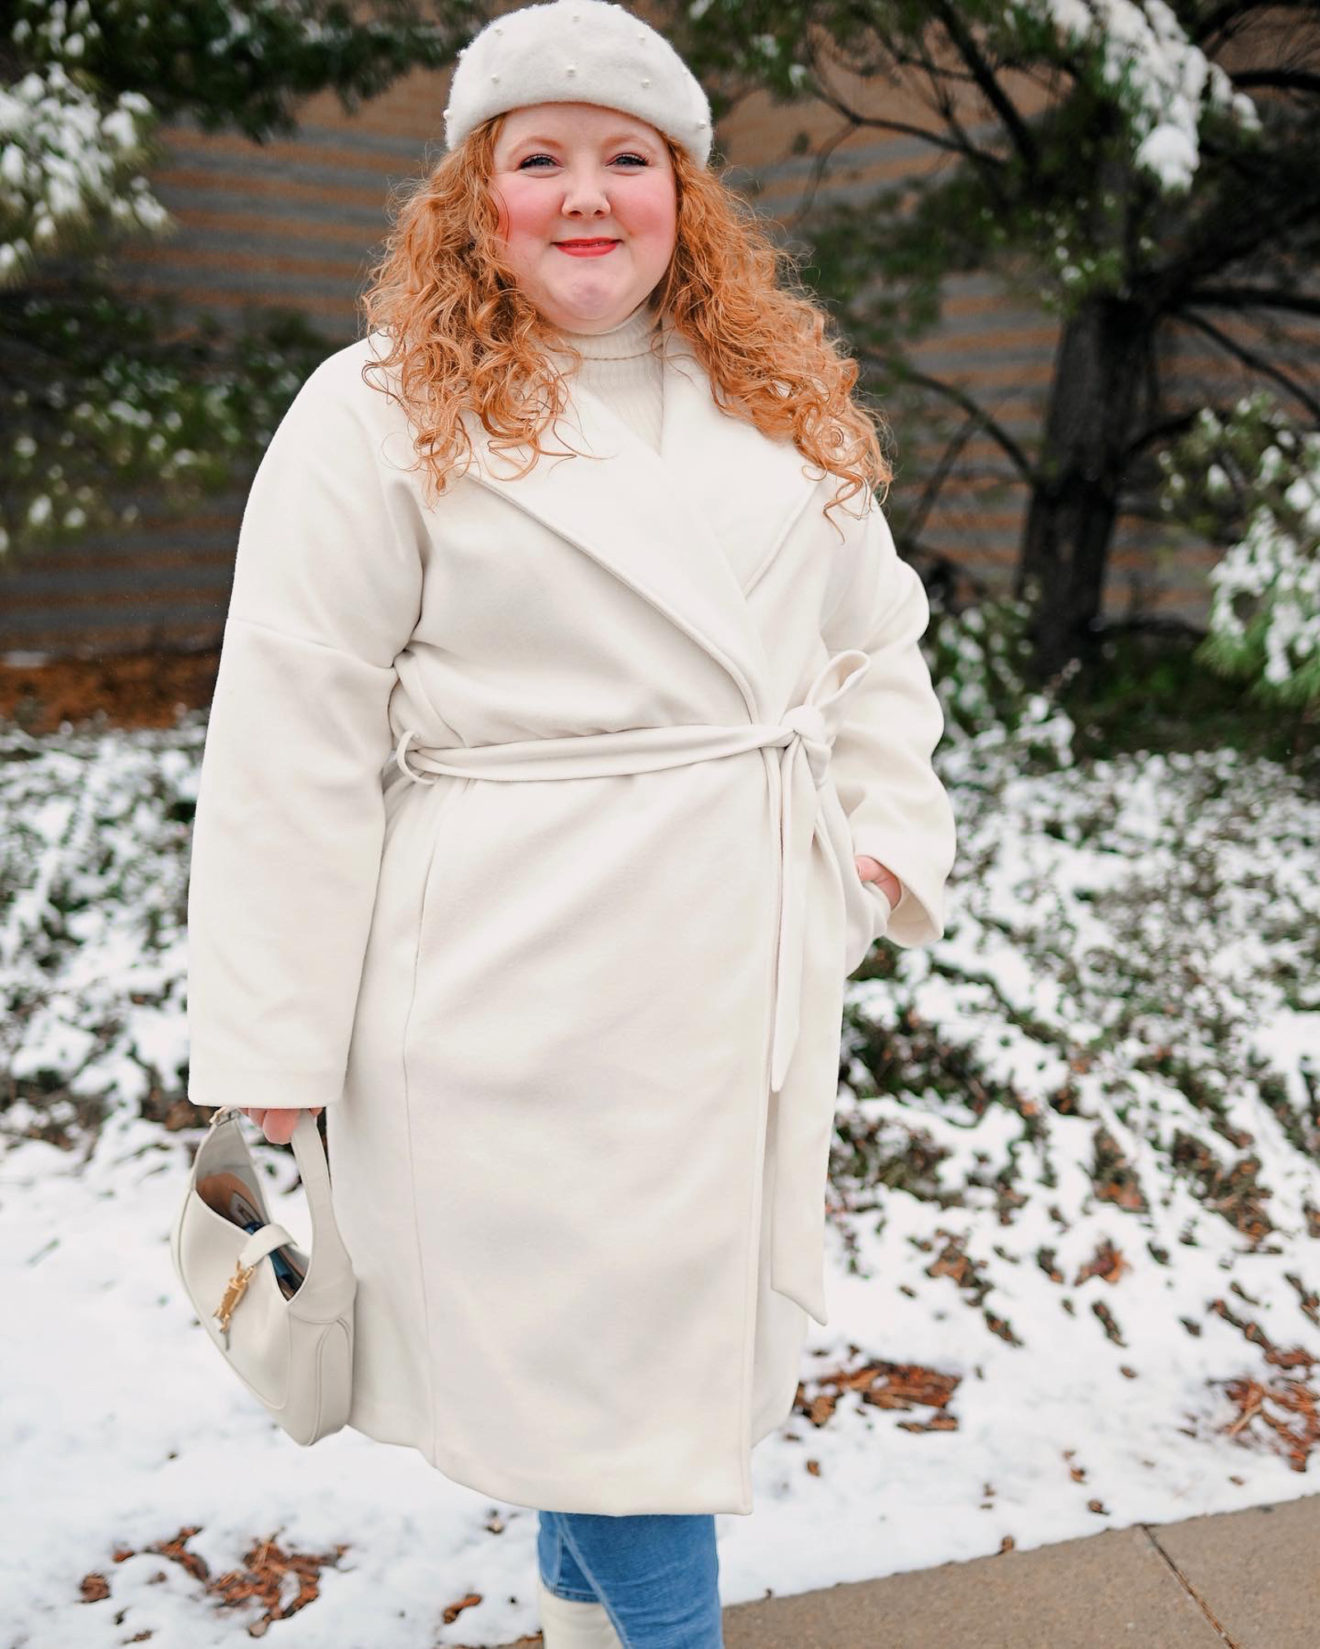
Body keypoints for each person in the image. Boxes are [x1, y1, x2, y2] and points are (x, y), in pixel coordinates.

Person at [186, 1, 957, 1643]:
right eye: (540, 158)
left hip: (735, 979)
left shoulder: (779, 394)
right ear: (478, 196)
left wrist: (882, 843)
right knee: (621, 1400)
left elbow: (873, 635)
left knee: (630, 1383)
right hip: (500, 994)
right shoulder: (375, 410)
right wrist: (273, 1052)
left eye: (629, 157)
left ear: (686, 192)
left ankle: (580, 1605)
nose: (587, 193)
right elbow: (290, 738)